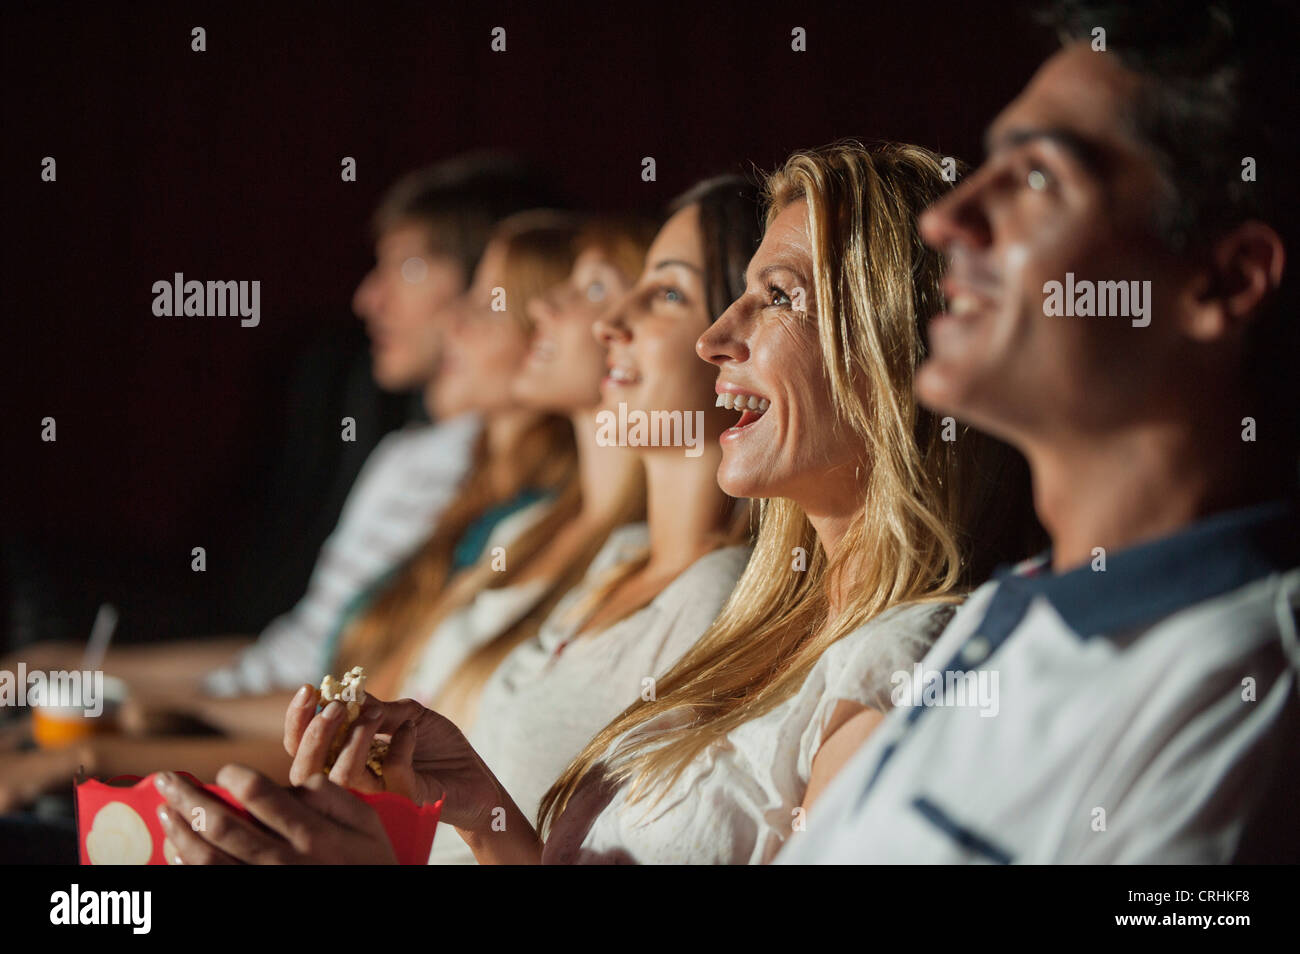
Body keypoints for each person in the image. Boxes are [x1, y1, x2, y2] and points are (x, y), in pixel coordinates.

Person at [153, 142, 1037, 864]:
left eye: (777, 297)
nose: (715, 338)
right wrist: (482, 811)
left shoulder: (903, 659)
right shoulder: (766, 627)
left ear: (893, 343)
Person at [777, 0, 1300, 864]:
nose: (947, 222)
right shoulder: (1012, 603)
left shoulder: (1243, 685)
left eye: (1037, 179)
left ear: (1227, 281)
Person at [0, 210, 582, 812]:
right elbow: (293, 655)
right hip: (265, 733)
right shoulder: (445, 476)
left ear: (546, 337)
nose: (455, 320)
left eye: (487, 305)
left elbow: (365, 731)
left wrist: (116, 740)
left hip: (301, 774)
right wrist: (70, 672)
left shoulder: (524, 526)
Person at [417, 180, 759, 864]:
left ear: (734, 345)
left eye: (667, 294)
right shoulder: (618, 558)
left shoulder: (716, 595)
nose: (609, 324)